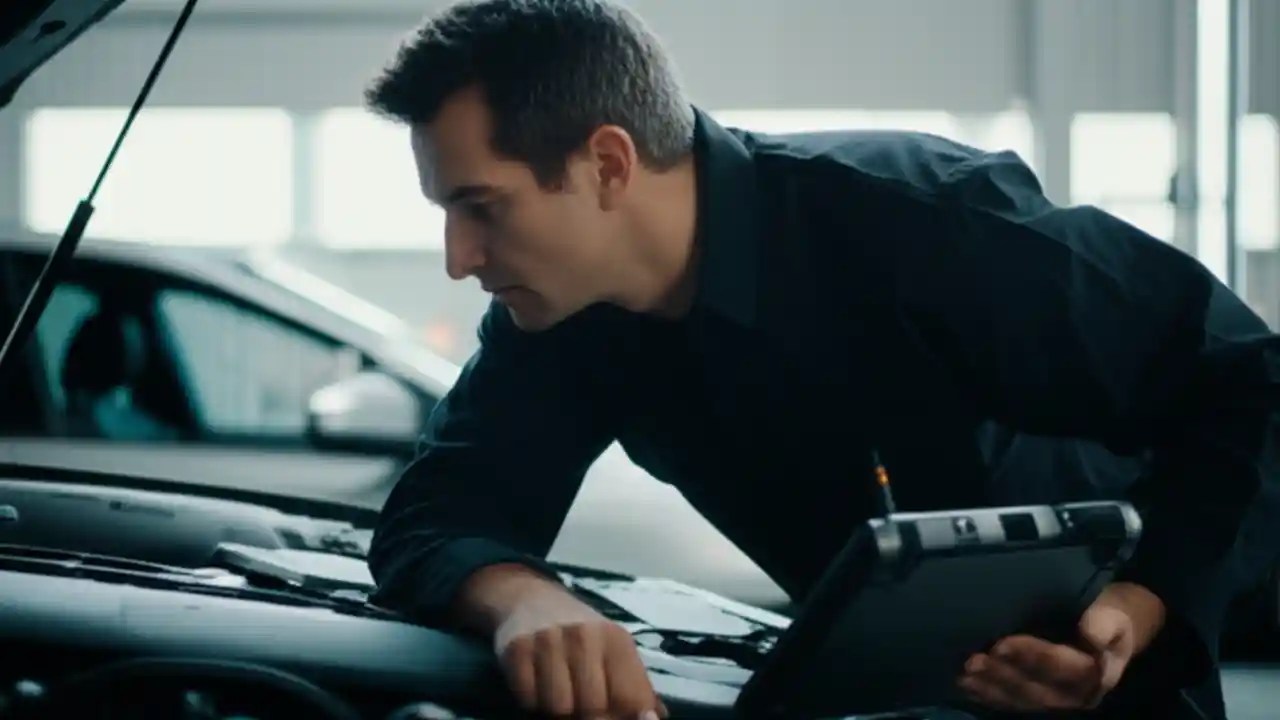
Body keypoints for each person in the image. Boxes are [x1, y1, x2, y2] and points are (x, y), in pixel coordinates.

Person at [361, 1, 1280, 718]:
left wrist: (1138, 606)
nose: (459, 258)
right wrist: (525, 600)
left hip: (1100, 689)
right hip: (872, 697)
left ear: (607, 164)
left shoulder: (924, 221)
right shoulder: (562, 316)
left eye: (483, 207)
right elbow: (435, 516)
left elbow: (1250, 374)